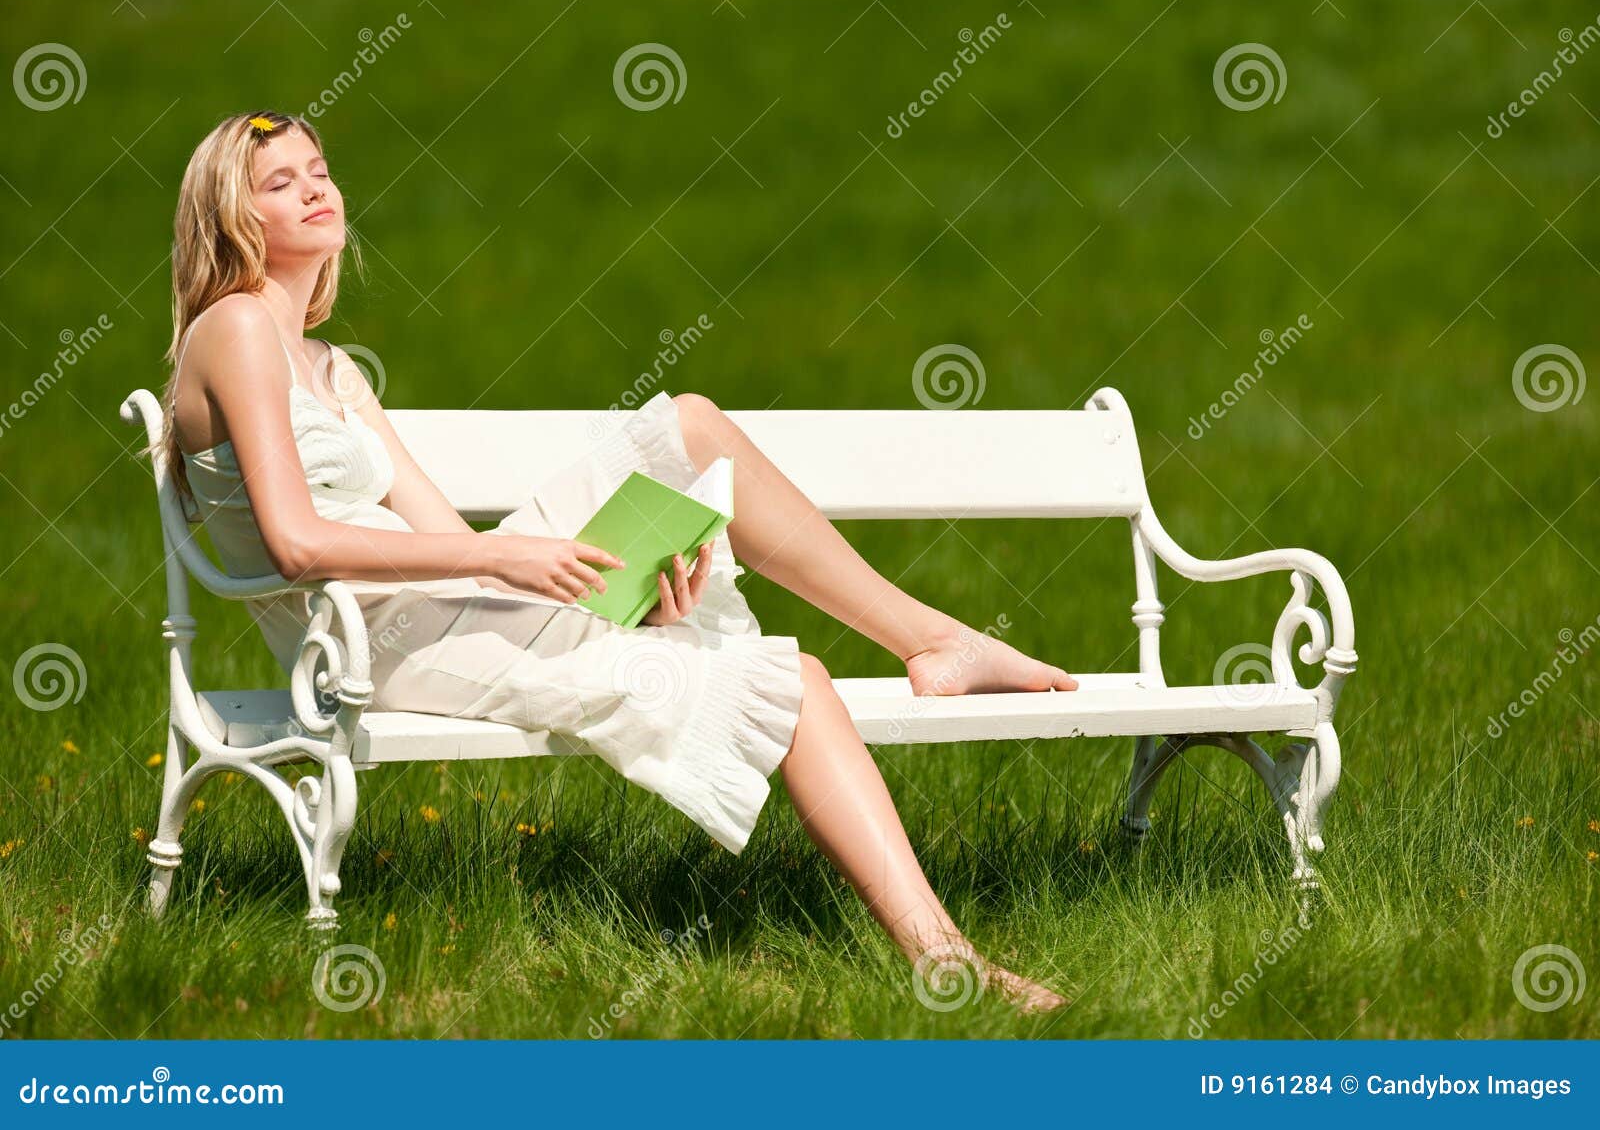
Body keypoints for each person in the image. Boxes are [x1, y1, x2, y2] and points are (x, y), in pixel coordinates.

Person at [157, 110, 1079, 1012]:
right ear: (234, 220)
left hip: (444, 602)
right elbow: (296, 543)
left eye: (319, 170)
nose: (315, 188)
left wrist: (625, 595)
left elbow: (446, 533)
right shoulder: (234, 330)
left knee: (691, 427)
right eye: (281, 183)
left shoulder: (327, 364)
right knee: (793, 676)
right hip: (375, 642)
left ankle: (930, 638)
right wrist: (503, 558)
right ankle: (948, 963)